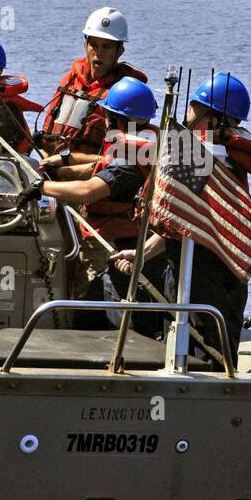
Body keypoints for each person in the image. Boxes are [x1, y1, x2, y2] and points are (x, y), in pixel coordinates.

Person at [115, 72, 251, 359]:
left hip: (203, 276)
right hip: (207, 272)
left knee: (207, 354)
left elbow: (146, 149)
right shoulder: (222, 157)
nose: (189, 111)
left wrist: (121, 139)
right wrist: (143, 253)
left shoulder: (206, 157)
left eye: (195, 106)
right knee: (206, 346)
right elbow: (184, 224)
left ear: (214, 118)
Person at [19, 77, 167, 335]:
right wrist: (64, 163)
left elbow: (88, 192)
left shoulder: (128, 163)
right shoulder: (141, 146)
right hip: (128, 242)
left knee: (98, 308)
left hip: (118, 246)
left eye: (108, 115)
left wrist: (41, 188)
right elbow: (99, 166)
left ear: (117, 119)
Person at [36, 7, 148, 171]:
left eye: (106, 47)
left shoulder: (129, 94)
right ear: (85, 45)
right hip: (49, 171)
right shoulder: (70, 80)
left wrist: (66, 165)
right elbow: (47, 135)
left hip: (93, 179)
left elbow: (126, 163)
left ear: (120, 51)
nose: (98, 53)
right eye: (94, 45)